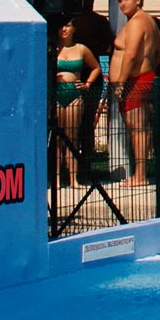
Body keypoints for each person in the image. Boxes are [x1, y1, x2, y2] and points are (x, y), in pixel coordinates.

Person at [105, 0, 160, 184]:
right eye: (120, 1)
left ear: (138, 0)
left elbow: (130, 54)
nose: (122, 4)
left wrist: (121, 83)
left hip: (135, 81)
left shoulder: (138, 22)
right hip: (140, 78)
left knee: (137, 127)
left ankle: (140, 175)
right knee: (137, 127)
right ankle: (139, 173)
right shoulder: (148, 21)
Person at [49, 15, 102, 192]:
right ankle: (57, 178)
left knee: (72, 137)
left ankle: (73, 178)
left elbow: (96, 68)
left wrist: (87, 84)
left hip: (74, 94)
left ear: (74, 29)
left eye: (68, 26)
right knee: (57, 139)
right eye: (61, 26)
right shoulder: (53, 48)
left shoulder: (81, 49)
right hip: (56, 93)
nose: (64, 29)